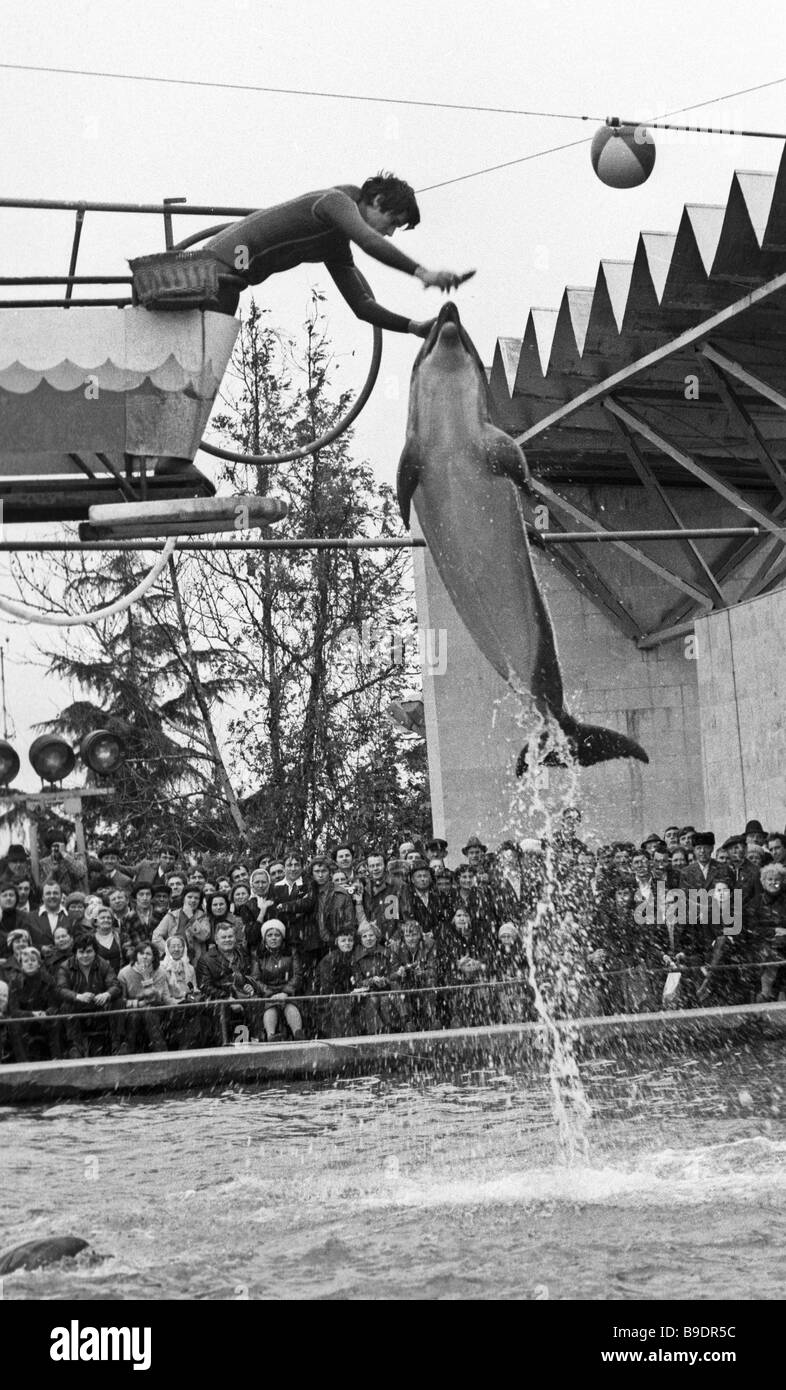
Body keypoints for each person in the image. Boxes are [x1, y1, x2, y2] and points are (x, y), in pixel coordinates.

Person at [199, 173, 474, 334]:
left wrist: (413, 327)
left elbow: (362, 305)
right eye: (392, 223)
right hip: (219, 267)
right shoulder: (335, 201)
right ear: (377, 201)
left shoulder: (334, 244)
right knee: (204, 359)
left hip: (230, 278)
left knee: (207, 362)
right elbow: (368, 241)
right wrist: (422, 272)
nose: (389, 233)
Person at [55, 935, 124, 1057]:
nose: (85, 956)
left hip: (100, 1008)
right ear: (75, 953)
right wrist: (77, 996)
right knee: (66, 1005)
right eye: (81, 952)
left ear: (95, 952)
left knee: (118, 1001)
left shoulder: (103, 964)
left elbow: (116, 985)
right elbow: (60, 989)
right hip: (77, 1010)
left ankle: (117, 1044)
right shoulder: (65, 966)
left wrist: (106, 994)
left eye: (89, 951)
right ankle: (75, 1047)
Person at [196, 922, 260, 1045]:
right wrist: (227, 998)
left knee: (256, 1002)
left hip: (241, 995)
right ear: (216, 940)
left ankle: (253, 1042)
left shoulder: (242, 954)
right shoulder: (206, 959)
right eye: (223, 937)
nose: (227, 940)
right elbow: (205, 986)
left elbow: (250, 976)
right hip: (218, 998)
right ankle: (224, 1045)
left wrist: (249, 985)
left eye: (230, 936)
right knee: (221, 1010)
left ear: (235, 938)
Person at [6, 946, 62, 1062]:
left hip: (44, 1020)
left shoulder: (48, 979)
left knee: (56, 1019)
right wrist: (32, 1014)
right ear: (21, 965)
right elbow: (14, 1010)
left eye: (33, 960)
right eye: (26, 961)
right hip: (25, 1022)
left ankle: (57, 1059)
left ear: (39, 963)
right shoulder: (15, 982)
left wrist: (45, 1013)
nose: (30, 963)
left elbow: (54, 1005)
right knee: (13, 1024)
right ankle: (24, 1063)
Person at [255, 921, 305, 1041]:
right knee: (270, 1007)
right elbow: (255, 979)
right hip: (268, 994)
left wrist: (285, 992)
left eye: (277, 935)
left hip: (287, 992)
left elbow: (298, 975)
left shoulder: (292, 952)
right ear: (264, 938)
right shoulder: (258, 955)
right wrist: (270, 994)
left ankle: (298, 1035)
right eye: (270, 935)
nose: (273, 938)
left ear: (282, 937)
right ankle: (271, 1036)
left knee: (290, 1006)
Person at [387, 918, 437, 1031]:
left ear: (420, 935)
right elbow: (391, 976)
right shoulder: (395, 948)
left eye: (414, 935)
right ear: (403, 937)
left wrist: (423, 973)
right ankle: (406, 1021)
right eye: (408, 935)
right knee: (395, 985)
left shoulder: (429, 944)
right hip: (405, 982)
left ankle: (430, 1018)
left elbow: (433, 971)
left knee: (431, 981)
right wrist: (399, 973)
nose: (411, 939)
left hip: (422, 981)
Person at [318, 929, 357, 1038]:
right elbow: (327, 985)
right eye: (343, 940)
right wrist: (349, 992)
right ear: (336, 942)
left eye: (350, 940)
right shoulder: (329, 960)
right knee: (340, 1006)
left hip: (348, 995)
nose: (347, 943)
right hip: (332, 998)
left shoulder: (355, 957)